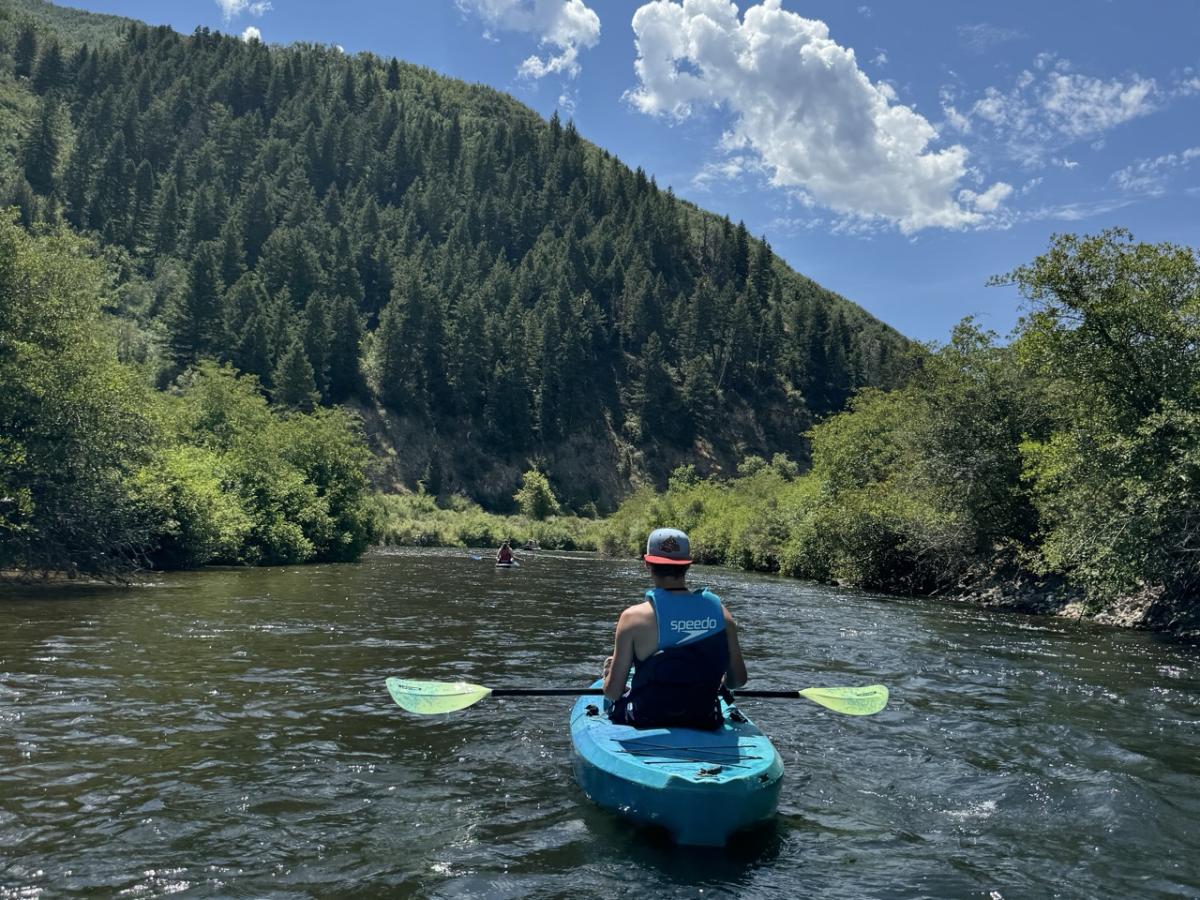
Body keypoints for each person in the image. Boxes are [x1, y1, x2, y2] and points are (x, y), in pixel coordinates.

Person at [601, 528, 748, 730]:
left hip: (645, 718)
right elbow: (737, 681)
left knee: (611, 686)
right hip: (702, 717)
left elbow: (612, 693)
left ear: (647, 563)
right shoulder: (721, 614)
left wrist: (608, 676)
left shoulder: (632, 618)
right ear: (688, 564)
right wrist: (720, 679)